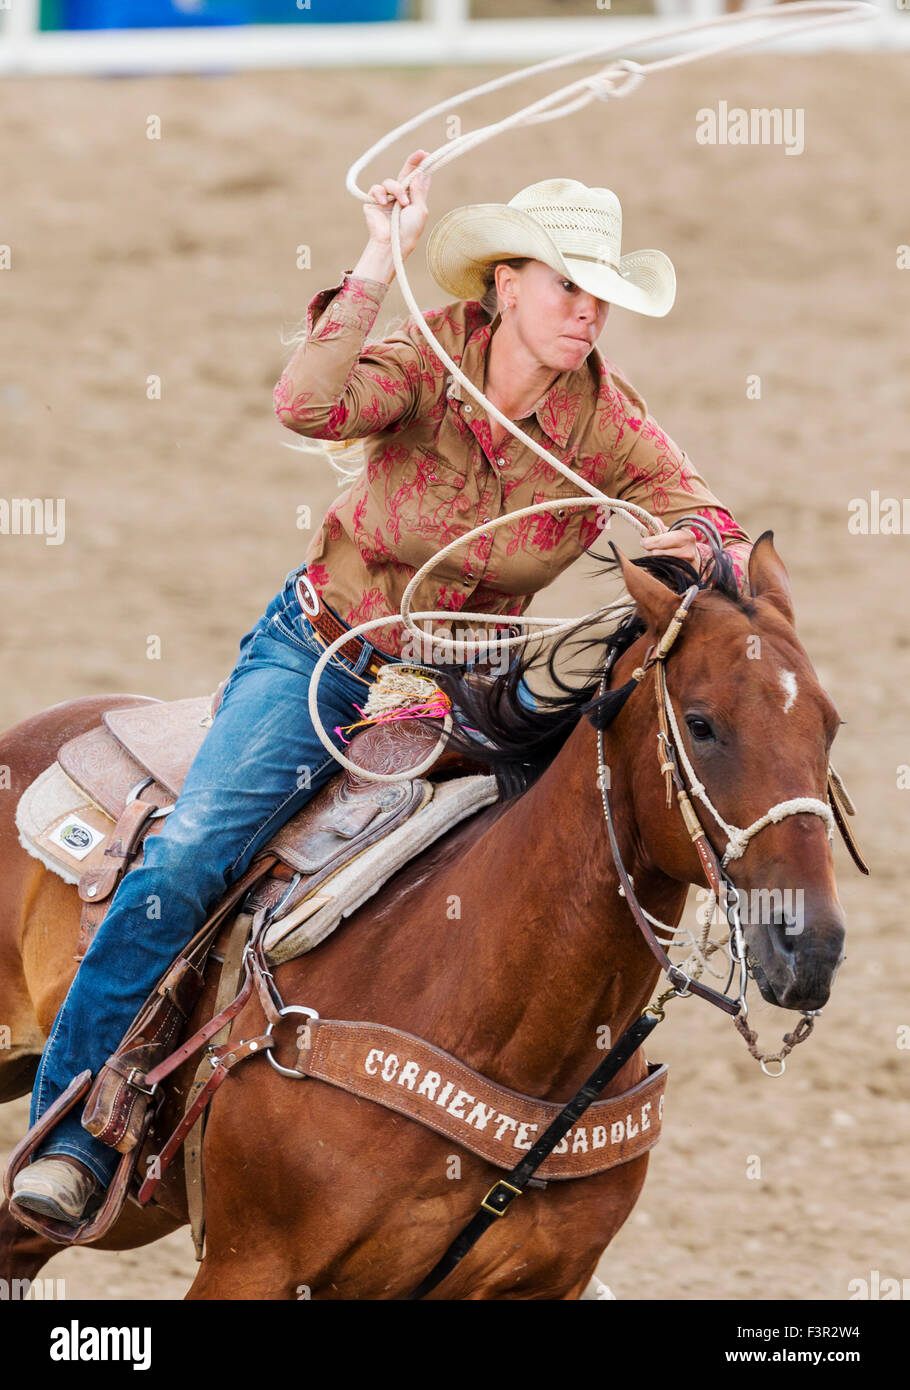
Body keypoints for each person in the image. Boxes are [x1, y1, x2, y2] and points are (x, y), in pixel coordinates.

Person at [11, 148, 751, 1227]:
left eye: (601, 297)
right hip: (324, 654)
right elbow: (305, 405)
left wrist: (701, 548)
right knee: (192, 851)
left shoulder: (607, 425)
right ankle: (73, 1124)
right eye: (567, 288)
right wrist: (376, 254)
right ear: (506, 284)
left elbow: (714, 519)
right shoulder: (425, 363)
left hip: (468, 679)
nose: (587, 315)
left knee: (567, 864)